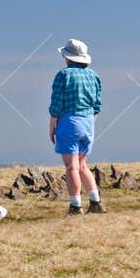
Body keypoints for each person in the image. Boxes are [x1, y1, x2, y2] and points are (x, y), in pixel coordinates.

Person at [48, 38, 104, 215]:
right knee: (82, 165)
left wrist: (52, 126)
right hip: (88, 122)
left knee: (71, 166)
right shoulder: (94, 75)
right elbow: (97, 105)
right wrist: (89, 122)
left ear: (68, 57)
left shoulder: (63, 75)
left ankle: (75, 206)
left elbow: (56, 105)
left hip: (69, 122)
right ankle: (96, 202)